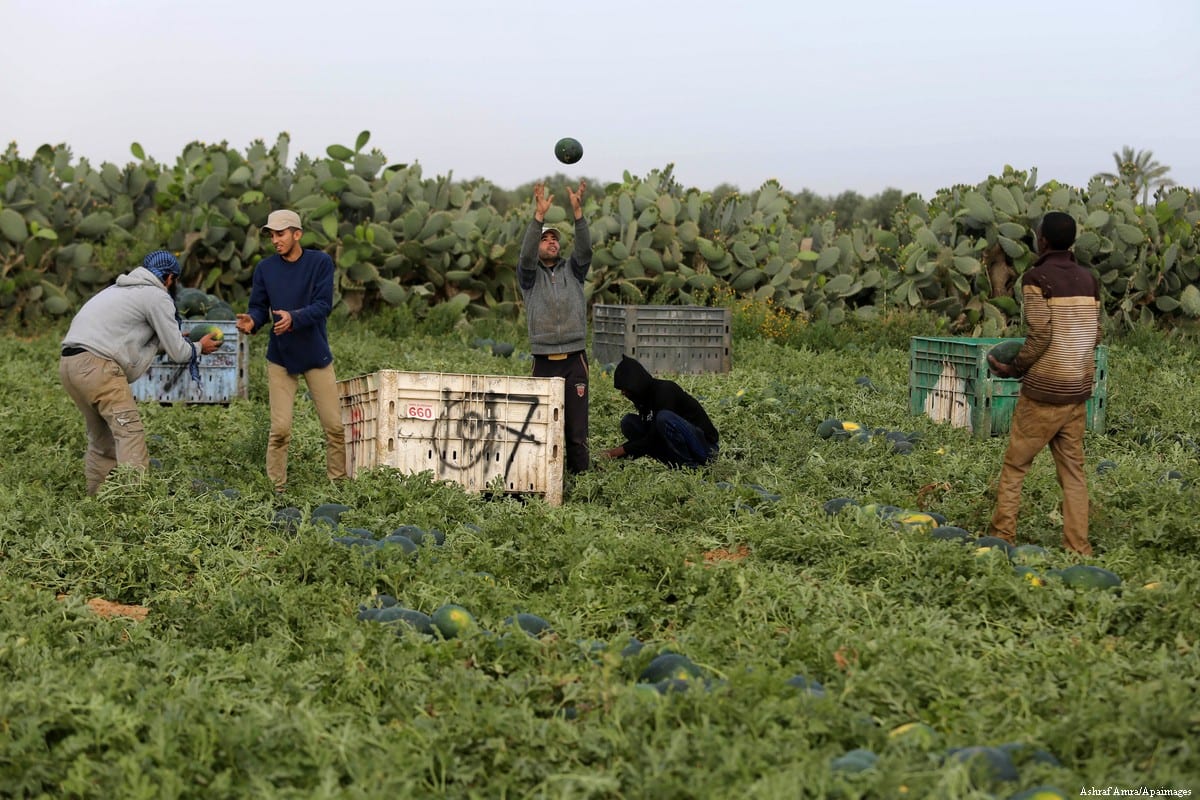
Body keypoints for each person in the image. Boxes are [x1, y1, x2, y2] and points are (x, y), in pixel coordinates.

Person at [986, 211, 1102, 556]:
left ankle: (1002, 537)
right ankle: (1078, 548)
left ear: (1043, 241)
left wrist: (1014, 368)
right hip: (1076, 392)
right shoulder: (1088, 279)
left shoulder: (1037, 278)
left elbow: (1040, 335)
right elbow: (1095, 333)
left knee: (1015, 466)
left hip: (1044, 394)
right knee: (1073, 474)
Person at [60, 250, 221, 494]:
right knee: (129, 432)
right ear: (169, 278)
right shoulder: (156, 295)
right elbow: (180, 354)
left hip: (71, 366)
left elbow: (127, 341)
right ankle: (134, 500)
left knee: (102, 439)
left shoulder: (117, 290)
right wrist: (199, 347)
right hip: (99, 367)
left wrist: (172, 340)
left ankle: (96, 497)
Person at [236, 209, 346, 494]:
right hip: (281, 356)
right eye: (271, 235)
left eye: (280, 234)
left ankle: (339, 485)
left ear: (297, 234)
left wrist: (294, 318)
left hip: (315, 353)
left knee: (335, 428)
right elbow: (259, 307)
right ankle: (276, 490)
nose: (275, 240)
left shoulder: (320, 263)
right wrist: (253, 321)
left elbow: (323, 306)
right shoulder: (265, 269)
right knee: (280, 430)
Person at [517, 181, 591, 473]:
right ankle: (543, 477)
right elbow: (525, 256)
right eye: (545, 238)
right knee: (542, 426)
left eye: (555, 239)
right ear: (537, 246)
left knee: (576, 429)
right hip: (544, 361)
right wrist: (538, 217)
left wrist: (578, 214)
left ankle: (581, 480)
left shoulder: (574, 270)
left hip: (575, 360)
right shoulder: (529, 276)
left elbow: (585, 249)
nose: (551, 242)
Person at [602, 355, 719, 468]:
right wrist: (613, 457)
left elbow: (654, 437)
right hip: (678, 445)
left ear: (635, 384)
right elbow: (648, 438)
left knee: (663, 418)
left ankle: (690, 466)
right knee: (629, 422)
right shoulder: (643, 400)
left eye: (625, 389)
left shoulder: (665, 391)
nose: (623, 393)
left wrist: (615, 452)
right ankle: (676, 463)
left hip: (705, 448)